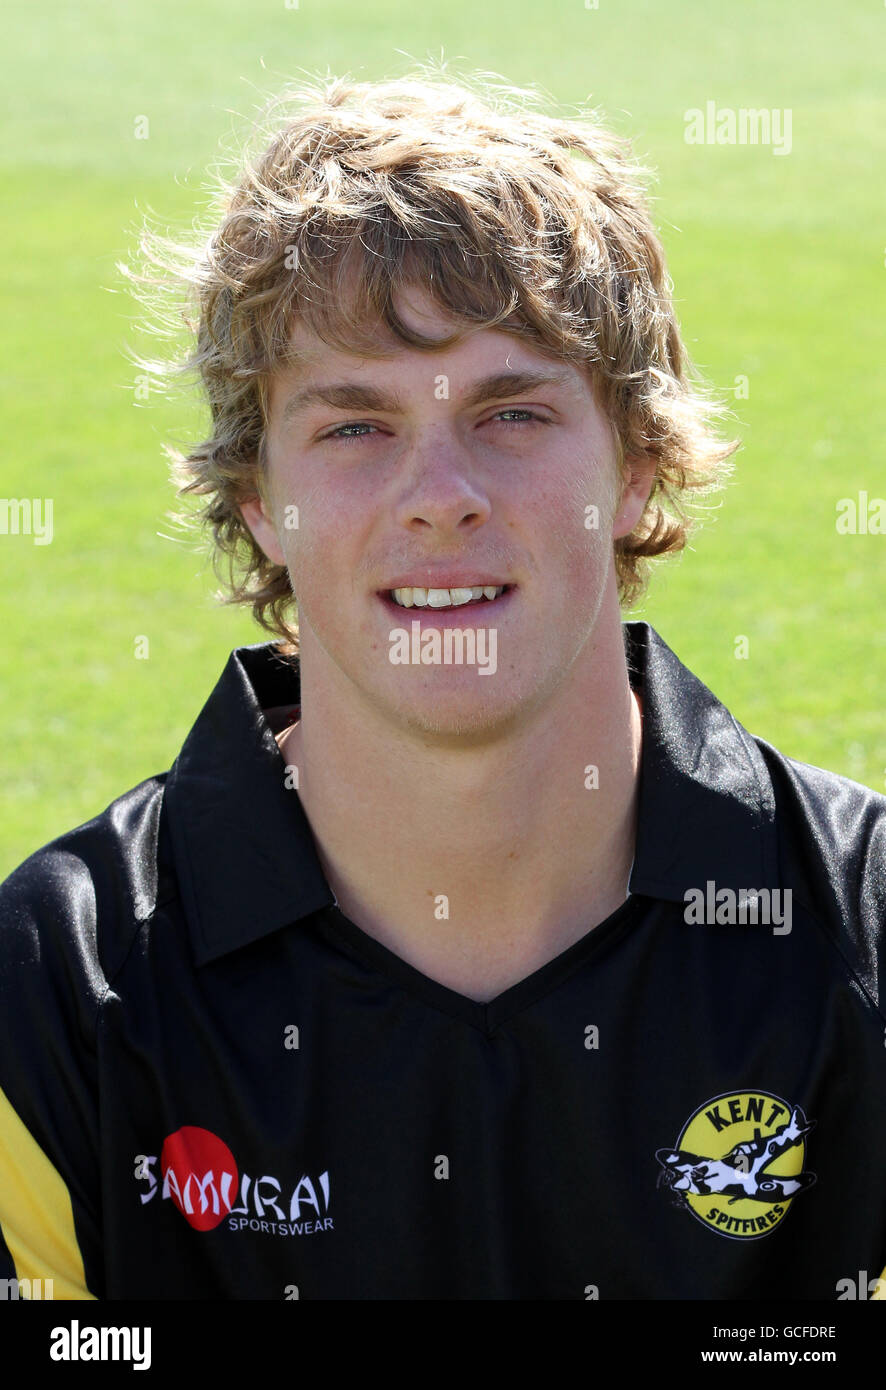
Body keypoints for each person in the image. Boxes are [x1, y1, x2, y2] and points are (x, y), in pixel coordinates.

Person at [1, 67, 885, 1302]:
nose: (439, 493)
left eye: (512, 412)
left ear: (635, 464)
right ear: (259, 500)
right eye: (353, 426)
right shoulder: (58, 978)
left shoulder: (864, 929)